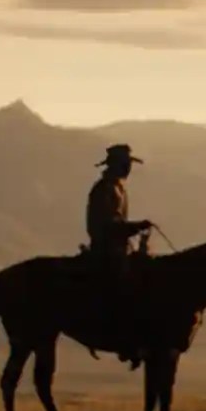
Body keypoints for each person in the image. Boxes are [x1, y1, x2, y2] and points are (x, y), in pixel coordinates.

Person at [86, 144, 153, 363]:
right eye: (126, 165)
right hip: (107, 251)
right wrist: (134, 227)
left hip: (118, 248)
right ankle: (123, 339)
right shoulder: (105, 190)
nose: (128, 169)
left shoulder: (116, 188)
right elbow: (105, 225)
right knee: (126, 286)